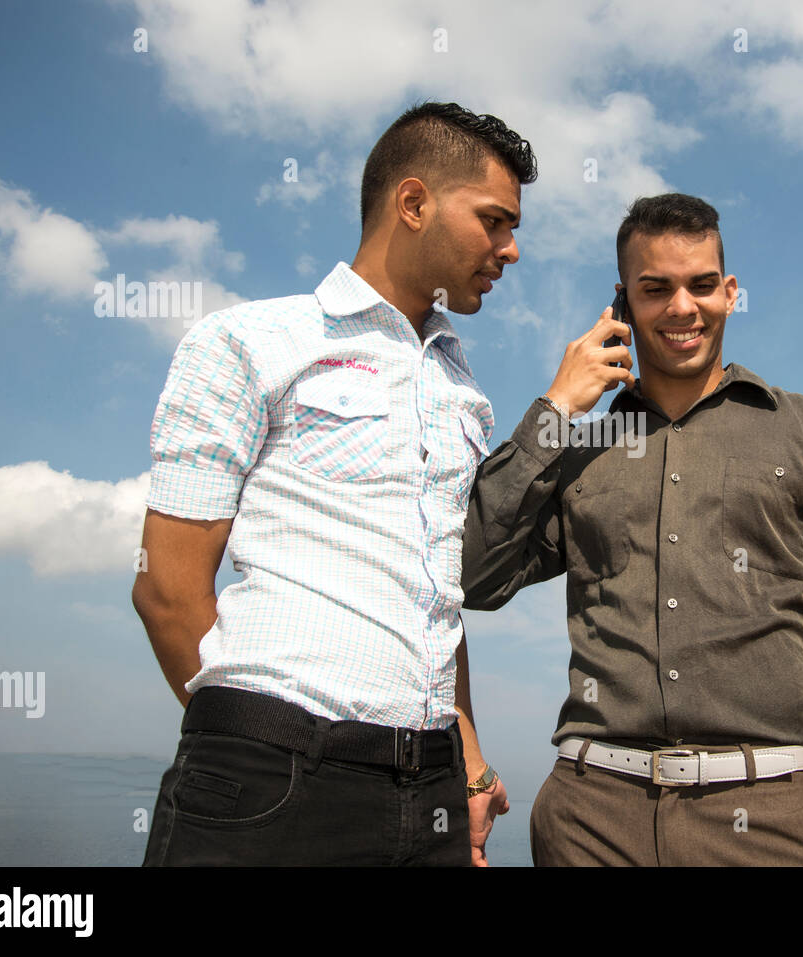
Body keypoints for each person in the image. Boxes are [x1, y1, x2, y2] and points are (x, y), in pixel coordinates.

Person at [461, 193, 803, 866]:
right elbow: (472, 577)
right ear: (623, 303)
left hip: (772, 820)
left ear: (730, 292)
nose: (683, 307)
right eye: (656, 289)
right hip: (587, 822)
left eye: (702, 285)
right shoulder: (574, 453)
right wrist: (555, 409)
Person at [132, 102, 535, 866]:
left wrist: (470, 766)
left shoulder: (461, 386)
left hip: (432, 787)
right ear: (413, 203)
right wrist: (253, 745)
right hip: (270, 787)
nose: (510, 250)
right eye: (495, 221)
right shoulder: (248, 339)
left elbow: (435, 594)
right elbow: (166, 589)